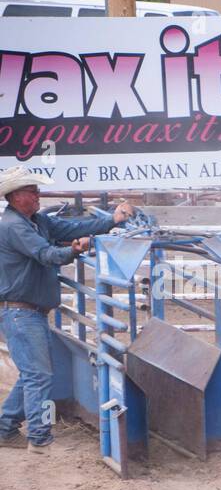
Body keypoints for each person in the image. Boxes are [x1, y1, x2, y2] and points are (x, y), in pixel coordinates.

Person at [0, 167, 134, 454]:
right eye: (32, 190)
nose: (38, 195)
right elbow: (46, 254)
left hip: (26, 311)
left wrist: (111, 219)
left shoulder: (35, 221)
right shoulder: (14, 226)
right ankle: (38, 438)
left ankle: (5, 428)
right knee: (38, 375)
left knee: (33, 374)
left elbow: (71, 229)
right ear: (15, 196)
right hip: (21, 312)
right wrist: (73, 251)